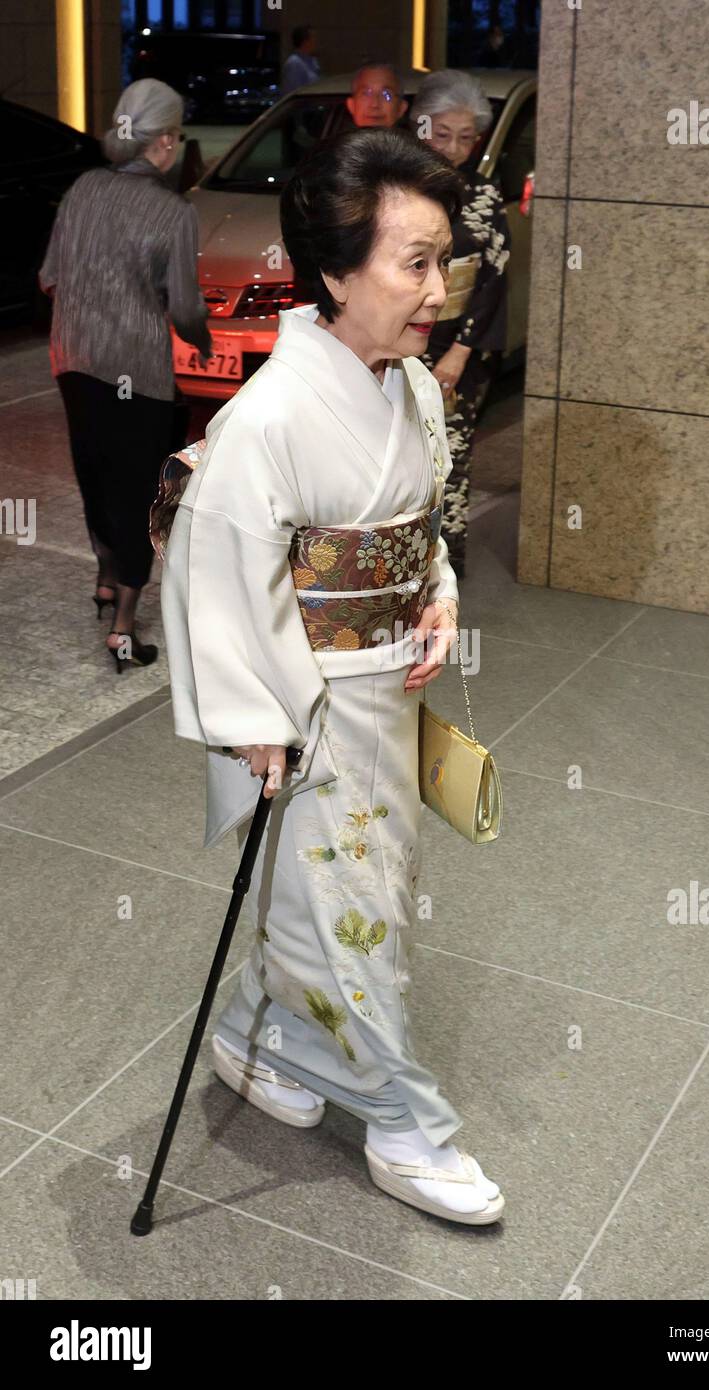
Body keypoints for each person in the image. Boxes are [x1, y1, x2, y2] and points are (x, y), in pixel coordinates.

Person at [157, 128, 505, 1225]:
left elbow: (417, 528)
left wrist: (437, 590)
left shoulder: (400, 388)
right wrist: (256, 721)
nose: (436, 289)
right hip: (305, 705)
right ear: (335, 272)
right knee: (352, 905)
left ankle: (262, 1042)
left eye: (443, 259)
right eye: (413, 262)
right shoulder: (267, 417)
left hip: (387, 687)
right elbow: (216, 569)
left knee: (345, 889)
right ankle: (406, 1123)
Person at [39, 78, 211, 671]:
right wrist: (204, 339)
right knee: (139, 488)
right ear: (164, 142)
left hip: (73, 360)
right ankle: (121, 630)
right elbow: (185, 309)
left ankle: (106, 579)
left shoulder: (83, 188)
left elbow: (49, 274)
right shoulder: (174, 211)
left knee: (94, 469)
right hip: (136, 370)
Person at [410, 70, 511, 577]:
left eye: (467, 138)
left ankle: (444, 569)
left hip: (457, 347)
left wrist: (460, 352)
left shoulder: (486, 196)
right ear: (420, 127)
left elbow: (494, 277)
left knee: (450, 453)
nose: (454, 148)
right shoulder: (397, 192)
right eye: (442, 134)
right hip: (400, 338)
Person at [346, 62, 409, 128]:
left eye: (386, 95)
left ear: (401, 108)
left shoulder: (414, 137)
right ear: (351, 105)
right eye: (366, 94)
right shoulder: (337, 138)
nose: (375, 104)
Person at [281, 24, 321, 97]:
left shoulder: (313, 61)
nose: (316, 41)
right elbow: (294, 93)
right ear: (305, 42)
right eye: (313, 37)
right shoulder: (294, 63)